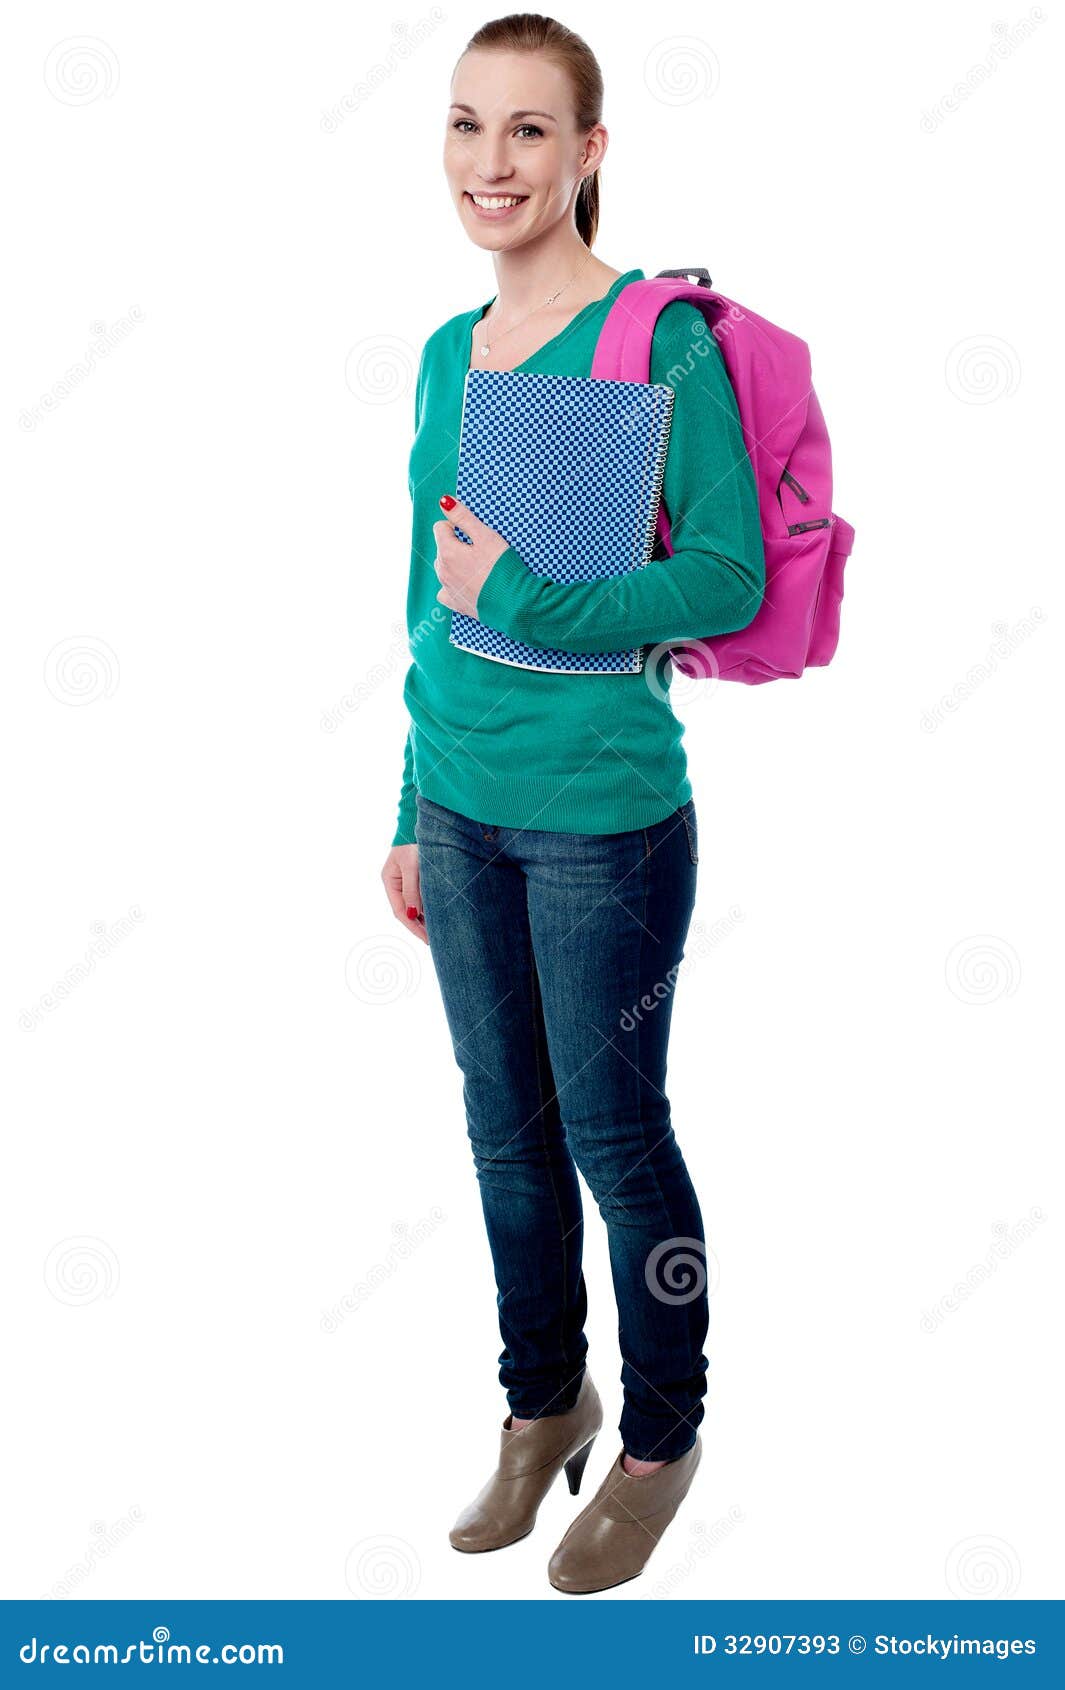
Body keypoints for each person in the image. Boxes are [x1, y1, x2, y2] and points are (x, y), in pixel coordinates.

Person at [380, 13, 765, 1594]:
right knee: (502, 1136)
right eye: (468, 127)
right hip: (462, 809)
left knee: (613, 1135)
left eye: (529, 131)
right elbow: (425, 596)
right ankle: (544, 1404)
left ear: (589, 153)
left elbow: (724, 577)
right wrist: (410, 798)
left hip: (603, 819)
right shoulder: (441, 352)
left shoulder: (656, 343)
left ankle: (659, 1438)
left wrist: (530, 591)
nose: (492, 163)